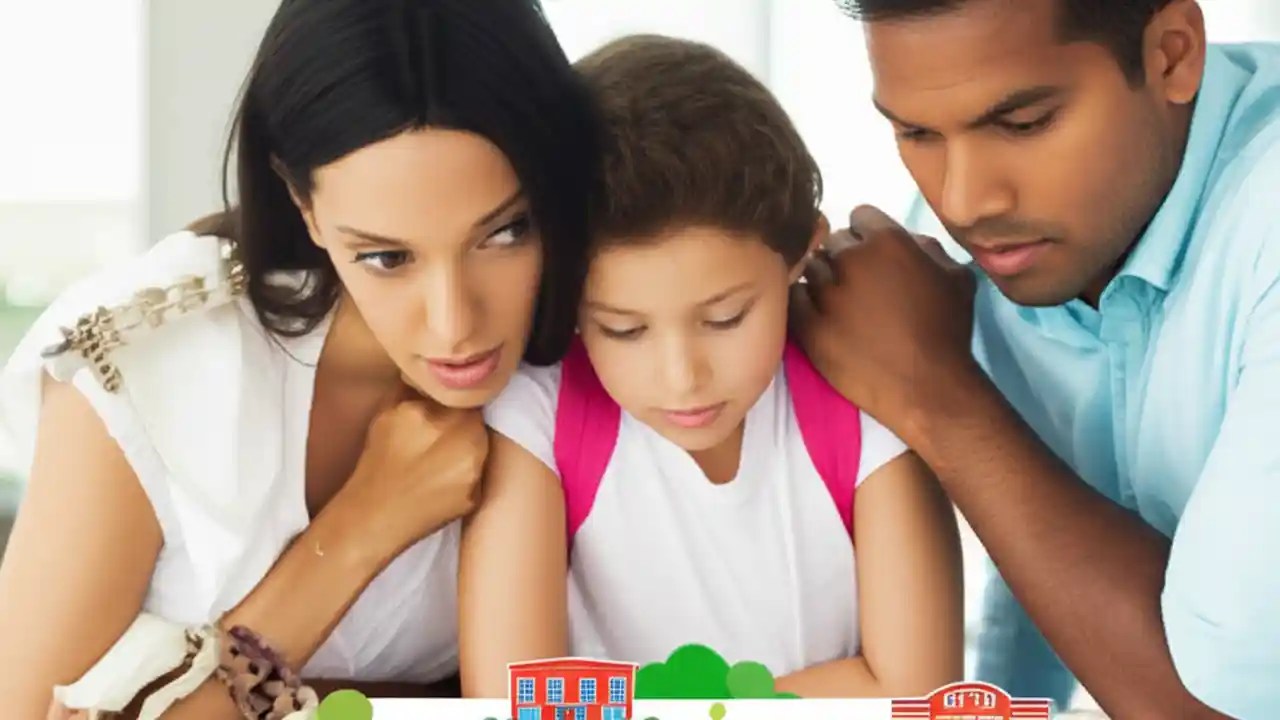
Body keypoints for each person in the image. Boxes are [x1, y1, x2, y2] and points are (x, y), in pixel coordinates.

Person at [0, 0, 597, 717]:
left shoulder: (619, 352)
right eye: (386, 257)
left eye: (504, 233)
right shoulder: (150, 363)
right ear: (302, 204)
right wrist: (364, 527)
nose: (455, 323)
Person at [795, 0, 1280, 717]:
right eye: (917, 133)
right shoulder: (974, 249)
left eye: (1023, 124)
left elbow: (1223, 710)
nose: (964, 201)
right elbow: (1041, 539)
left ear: (1172, 54)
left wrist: (939, 396)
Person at [457, 34, 964, 700]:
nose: (682, 376)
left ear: (800, 255)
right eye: (623, 329)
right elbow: (512, 697)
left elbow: (915, 690)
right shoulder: (540, 414)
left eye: (724, 318)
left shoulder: (865, 396)